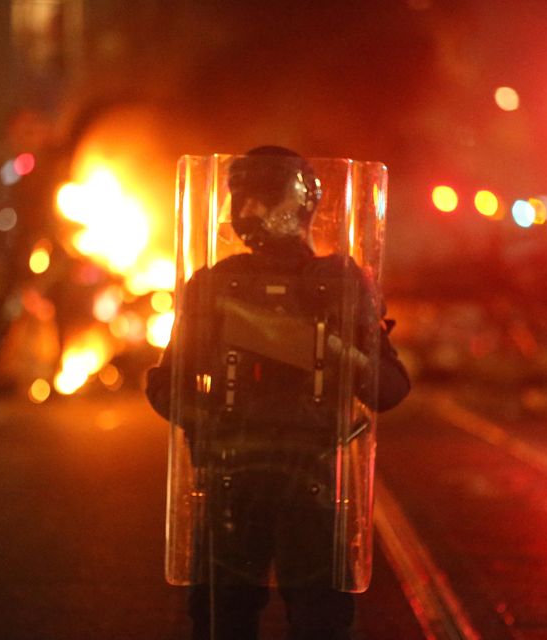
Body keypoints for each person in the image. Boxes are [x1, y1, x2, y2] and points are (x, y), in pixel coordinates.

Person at [146, 147, 409, 639]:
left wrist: (341, 354)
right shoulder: (216, 286)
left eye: (261, 199)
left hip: (304, 483)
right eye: (240, 199)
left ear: (298, 205)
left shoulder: (339, 282)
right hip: (234, 485)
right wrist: (211, 422)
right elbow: (166, 383)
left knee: (316, 623)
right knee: (225, 620)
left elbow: (390, 388)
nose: (246, 213)